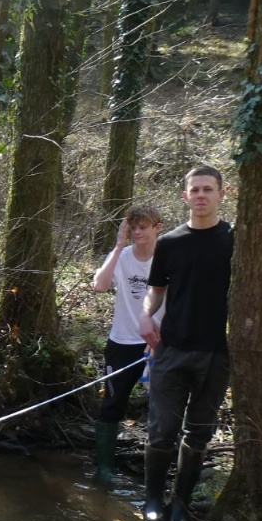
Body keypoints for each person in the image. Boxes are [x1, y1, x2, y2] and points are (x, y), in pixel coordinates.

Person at [139, 165, 233, 521]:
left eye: (208, 189)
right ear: (185, 196)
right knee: (161, 430)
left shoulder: (235, 240)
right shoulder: (170, 243)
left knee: (198, 433)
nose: (201, 195)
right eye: (194, 190)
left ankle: (181, 505)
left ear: (222, 194)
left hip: (217, 351)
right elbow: (156, 290)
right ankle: (152, 501)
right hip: (172, 349)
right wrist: (146, 315)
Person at [91, 205, 164, 479]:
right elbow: (100, 285)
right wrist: (119, 246)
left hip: (157, 342)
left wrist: (158, 338)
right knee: (112, 403)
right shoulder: (121, 256)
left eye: (143, 227)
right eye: (133, 228)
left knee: (162, 407)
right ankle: (104, 469)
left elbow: (175, 301)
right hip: (121, 343)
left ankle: (156, 472)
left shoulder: (167, 258)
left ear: (158, 228)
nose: (137, 232)